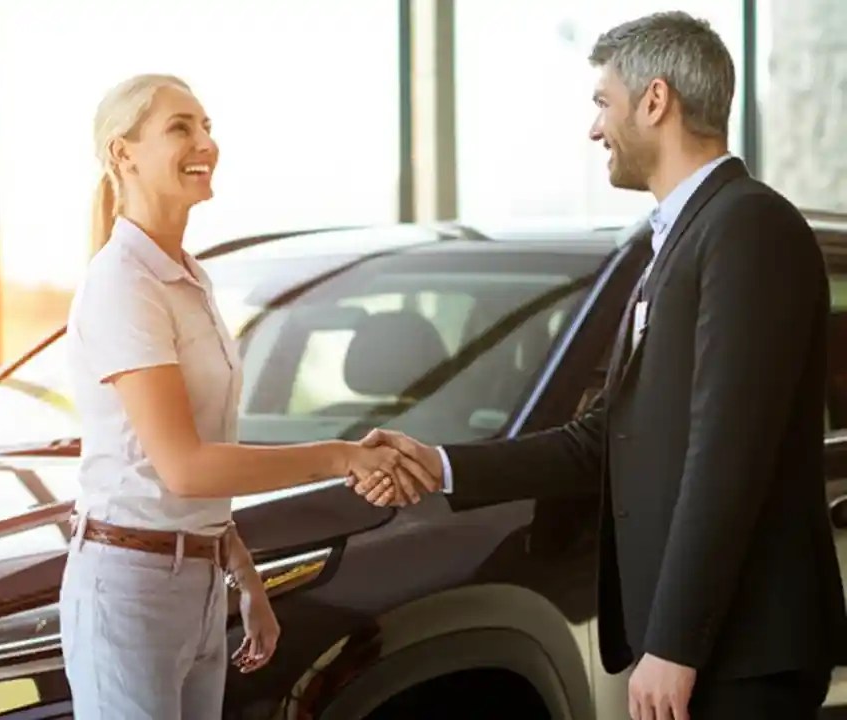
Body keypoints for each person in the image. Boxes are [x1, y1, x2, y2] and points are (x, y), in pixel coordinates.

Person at [352, 11, 847, 720]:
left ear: (655, 100)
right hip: (710, 647)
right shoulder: (680, 242)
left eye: (601, 103)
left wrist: (677, 646)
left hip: (738, 649)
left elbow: (726, 453)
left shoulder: (745, 227)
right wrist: (440, 464)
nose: (594, 130)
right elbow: (604, 436)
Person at [60, 73, 429, 720]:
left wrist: (240, 573)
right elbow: (184, 467)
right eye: (181, 127)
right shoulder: (123, 283)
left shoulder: (190, 276)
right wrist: (341, 457)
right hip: (130, 589)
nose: (205, 141)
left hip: (195, 580)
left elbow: (201, 456)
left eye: (206, 126)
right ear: (124, 154)